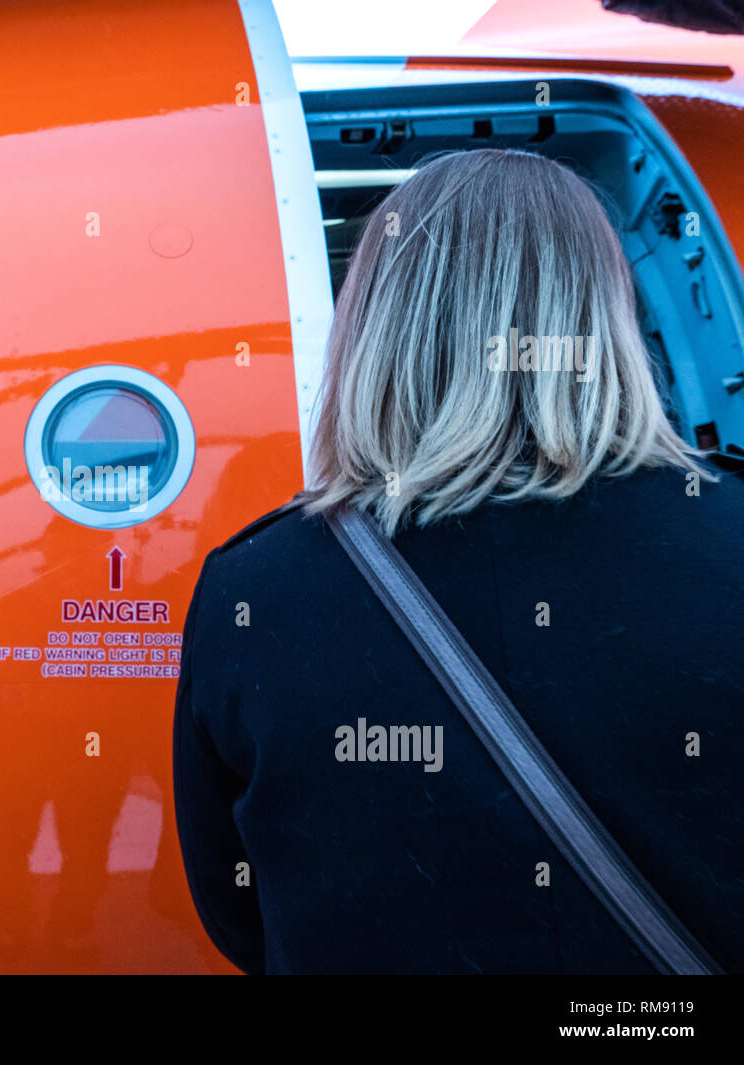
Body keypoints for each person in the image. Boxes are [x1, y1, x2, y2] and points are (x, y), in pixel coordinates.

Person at [172, 148, 744, 974]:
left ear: (373, 326)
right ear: (607, 318)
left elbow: (238, 912)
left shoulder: (254, 587)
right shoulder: (725, 535)